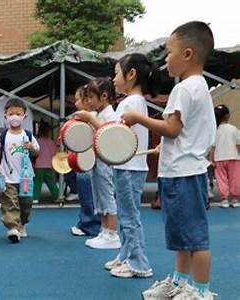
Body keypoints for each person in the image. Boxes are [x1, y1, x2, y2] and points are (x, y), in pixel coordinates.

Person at [123, 21, 216, 299]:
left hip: (184, 174)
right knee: (183, 237)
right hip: (182, 171)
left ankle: (200, 292)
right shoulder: (197, 87)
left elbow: (173, 129)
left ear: (187, 54)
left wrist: (139, 118)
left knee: (195, 238)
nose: (165, 59)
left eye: (168, 52)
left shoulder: (185, 89)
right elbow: (184, 134)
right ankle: (179, 282)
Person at [105, 53, 160, 278]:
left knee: (129, 216)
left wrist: (90, 121)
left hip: (129, 167)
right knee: (127, 214)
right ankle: (126, 254)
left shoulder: (131, 103)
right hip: (128, 166)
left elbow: (113, 134)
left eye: (117, 73)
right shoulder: (132, 102)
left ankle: (139, 263)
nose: (114, 78)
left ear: (131, 74)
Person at [75, 78, 121, 250]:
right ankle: (104, 230)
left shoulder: (110, 114)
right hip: (98, 161)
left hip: (106, 163)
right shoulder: (99, 114)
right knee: (99, 198)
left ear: (104, 96)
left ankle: (112, 233)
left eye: (91, 97)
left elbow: (108, 133)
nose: (88, 102)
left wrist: (89, 118)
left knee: (107, 196)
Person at [0, 98, 40, 243]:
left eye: (18, 114)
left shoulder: (28, 135)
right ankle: (12, 228)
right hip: (7, 178)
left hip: (25, 177)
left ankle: (22, 223)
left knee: (26, 203)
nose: (14, 117)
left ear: (24, 116)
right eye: (11, 114)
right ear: (5, 116)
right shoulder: (2, 137)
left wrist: (31, 148)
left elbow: (37, 152)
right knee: (9, 203)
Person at [69, 85, 101, 237]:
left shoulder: (93, 117)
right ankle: (87, 222)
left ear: (87, 101)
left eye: (78, 100)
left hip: (89, 161)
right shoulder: (89, 117)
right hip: (85, 160)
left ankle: (90, 225)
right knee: (86, 194)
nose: (76, 103)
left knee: (89, 194)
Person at [210, 104, 240, 208]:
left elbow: (212, 147)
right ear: (228, 116)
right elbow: (238, 144)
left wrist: (211, 159)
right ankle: (235, 199)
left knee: (221, 179)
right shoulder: (234, 129)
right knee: (235, 178)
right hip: (234, 157)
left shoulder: (215, 131)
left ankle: (225, 199)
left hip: (219, 158)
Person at [33, 120, 59, 203]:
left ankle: (35, 198)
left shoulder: (37, 142)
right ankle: (57, 196)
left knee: (37, 183)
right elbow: (55, 153)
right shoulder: (51, 142)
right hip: (49, 165)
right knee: (51, 183)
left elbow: (34, 153)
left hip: (38, 166)